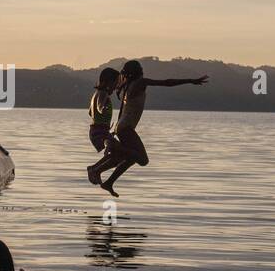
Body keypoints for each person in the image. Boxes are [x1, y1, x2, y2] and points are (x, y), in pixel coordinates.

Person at [87, 59, 208, 195]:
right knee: (142, 159)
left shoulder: (127, 87)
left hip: (122, 127)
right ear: (137, 73)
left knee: (130, 157)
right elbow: (166, 83)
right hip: (126, 128)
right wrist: (190, 80)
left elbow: (122, 111)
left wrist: (115, 130)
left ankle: (108, 182)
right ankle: (104, 161)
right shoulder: (139, 83)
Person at [87, 67, 120, 158]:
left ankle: (94, 169)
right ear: (108, 82)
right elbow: (99, 106)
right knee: (117, 148)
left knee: (118, 155)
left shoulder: (96, 94)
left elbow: (90, 112)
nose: (116, 87)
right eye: (115, 83)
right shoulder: (103, 93)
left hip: (95, 131)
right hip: (100, 131)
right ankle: (107, 146)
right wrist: (103, 108)